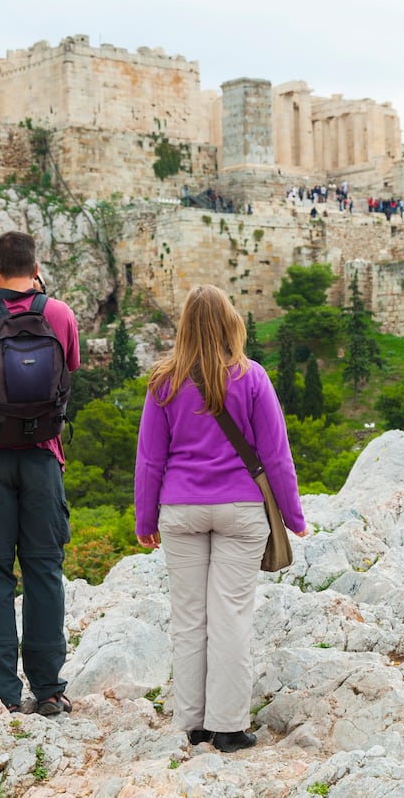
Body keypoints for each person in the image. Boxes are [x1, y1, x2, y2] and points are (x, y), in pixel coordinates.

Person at [134, 285, 309, 754]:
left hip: (181, 510)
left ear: (184, 328)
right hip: (241, 510)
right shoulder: (252, 377)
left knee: (189, 618)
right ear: (232, 322)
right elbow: (275, 454)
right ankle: (229, 727)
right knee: (230, 616)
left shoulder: (163, 381)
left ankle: (191, 724)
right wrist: (292, 515)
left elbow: (150, 459)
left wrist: (144, 518)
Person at [0, 231, 81, 716]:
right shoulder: (60, 314)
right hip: (43, 456)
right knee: (44, 570)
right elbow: (68, 366)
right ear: (37, 265)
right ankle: (49, 690)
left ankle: (3, 694)